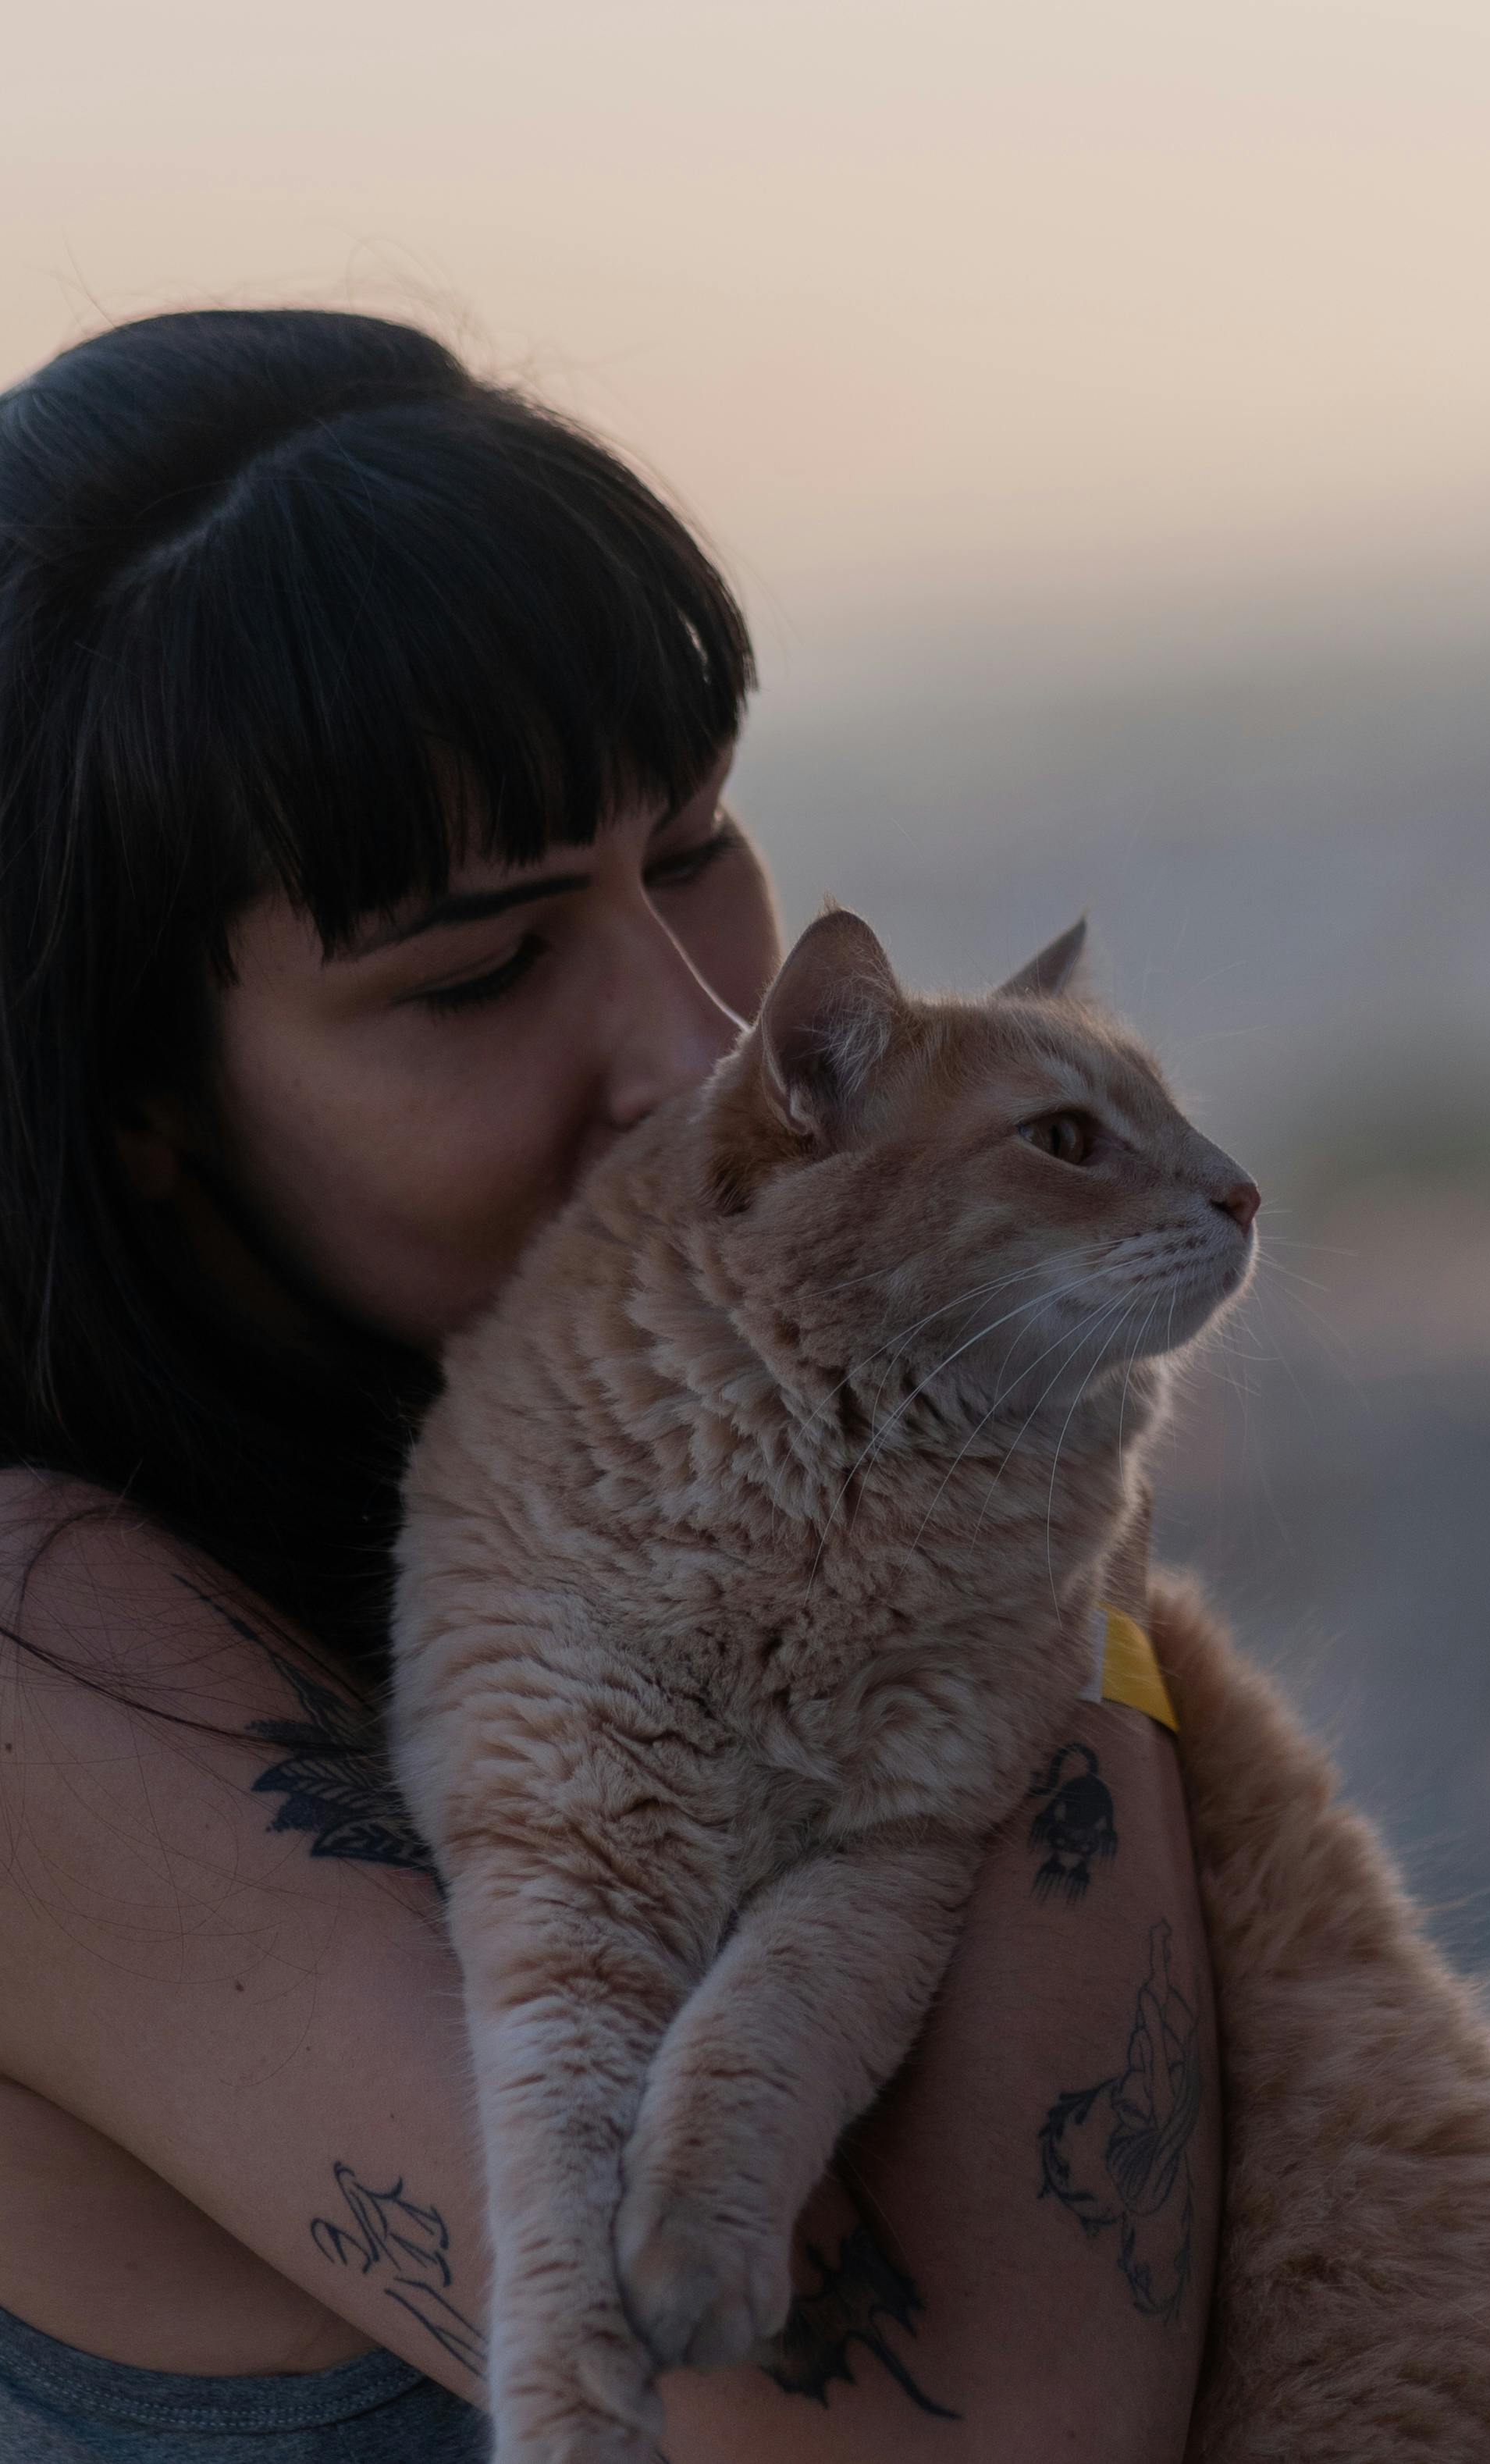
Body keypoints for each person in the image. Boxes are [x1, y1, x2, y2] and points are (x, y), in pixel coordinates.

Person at [0, 308, 1218, 2464]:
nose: (689, 1053)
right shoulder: (42, 1647)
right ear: (131, 1106)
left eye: (693, 856)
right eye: (471, 972)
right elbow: (951, 2443)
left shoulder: (644, 1464)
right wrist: (1033, 1504)